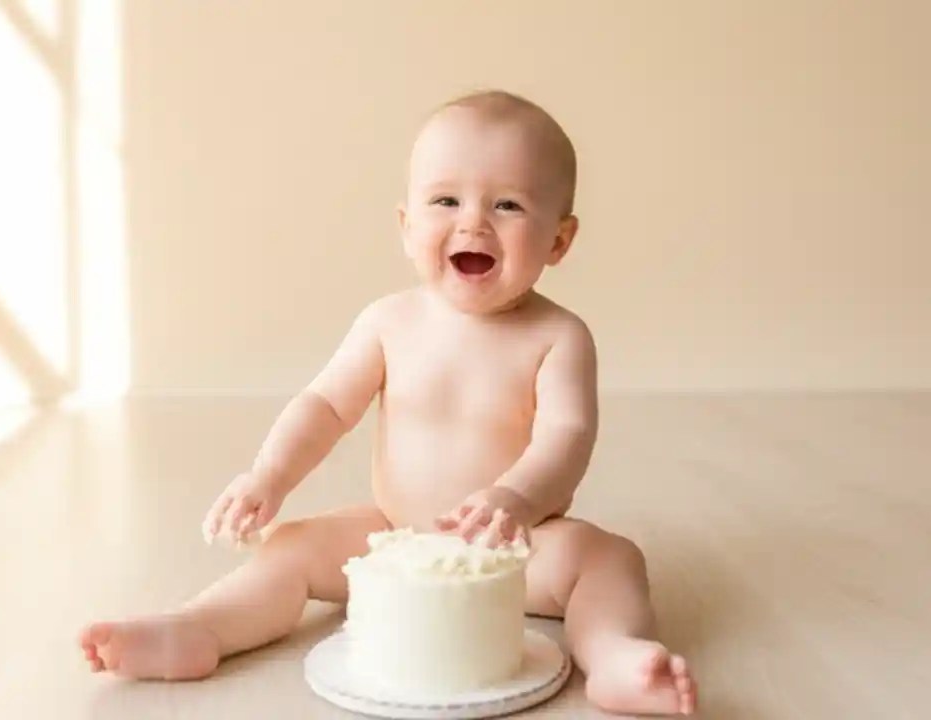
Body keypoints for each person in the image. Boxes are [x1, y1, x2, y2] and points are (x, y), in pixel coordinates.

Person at [79, 89, 697, 715]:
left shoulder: (558, 336)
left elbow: (567, 437)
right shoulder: (388, 322)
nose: (473, 222)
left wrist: (515, 499)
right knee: (291, 546)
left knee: (610, 560)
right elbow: (325, 406)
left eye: (508, 204)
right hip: (391, 537)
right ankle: (199, 628)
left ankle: (615, 654)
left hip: (514, 547)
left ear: (558, 241)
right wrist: (269, 475)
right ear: (406, 227)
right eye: (446, 200)